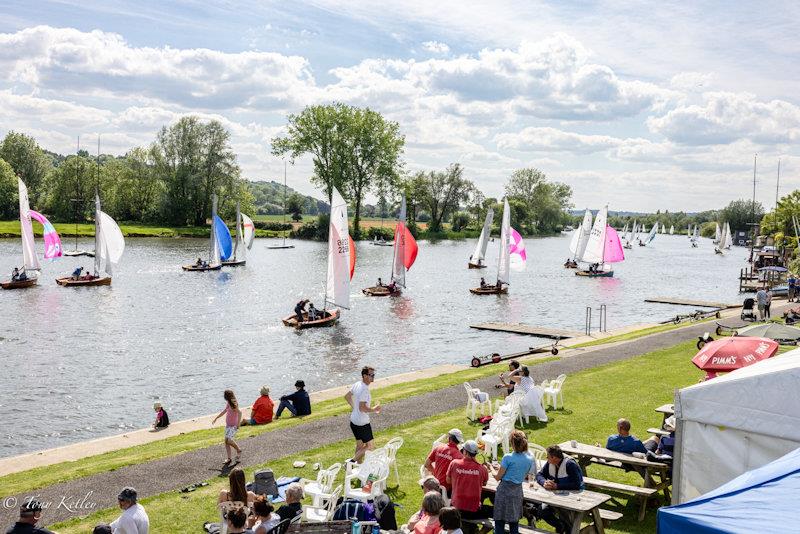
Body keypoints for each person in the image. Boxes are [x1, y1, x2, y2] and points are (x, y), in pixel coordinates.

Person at [490, 430, 533, 534]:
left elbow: (497, 477)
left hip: (504, 491)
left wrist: (491, 467)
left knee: (499, 522)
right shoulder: (529, 459)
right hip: (517, 491)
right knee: (514, 523)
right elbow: (520, 473)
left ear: (512, 443)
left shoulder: (507, 457)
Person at [533, 446, 583, 533]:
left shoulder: (570, 464)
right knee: (542, 511)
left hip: (573, 497)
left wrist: (557, 486)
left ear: (554, 457)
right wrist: (544, 482)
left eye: (547, 456)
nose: (546, 458)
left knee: (567, 517)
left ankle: (567, 528)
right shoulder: (550, 462)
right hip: (555, 495)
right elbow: (539, 475)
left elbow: (577, 484)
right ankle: (560, 525)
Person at [446, 440, 491, 524]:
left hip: (456, 509)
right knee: (495, 511)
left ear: (465, 452)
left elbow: (448, 481)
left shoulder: (454, 463)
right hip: (473, 512)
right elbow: (484, 484)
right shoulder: (482, 469)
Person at [345, 366, 381, 463]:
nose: (373, 376)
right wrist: (374, 409)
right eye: (371, 375)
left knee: (360, 445)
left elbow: (347, 396)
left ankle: (358, 466)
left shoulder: (357, 384)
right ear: (364, 376)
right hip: (362, 423)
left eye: (374, 374)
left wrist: (354, 408)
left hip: (354, 421)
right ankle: (351, 462)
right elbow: (362, 408)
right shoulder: (364, 389)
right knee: (370, 446)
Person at [424, 428, 464, 493]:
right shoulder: (459, 456)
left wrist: (435, 473)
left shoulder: (438, 448)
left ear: (449, 438)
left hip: (434, 485)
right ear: (458, 441)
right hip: (447, 489)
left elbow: (427, 464)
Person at [212, 389, 242, 464]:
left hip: (233, 426)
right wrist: (217, 418)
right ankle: (229, 458)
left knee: (229, 440)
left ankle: (238, 449)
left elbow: (240, 412)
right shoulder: (228, 403)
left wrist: (238, 424)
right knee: (226, 442)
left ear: (226, 396)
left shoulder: (234, 402)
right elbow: (225, 411)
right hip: (228, 425)